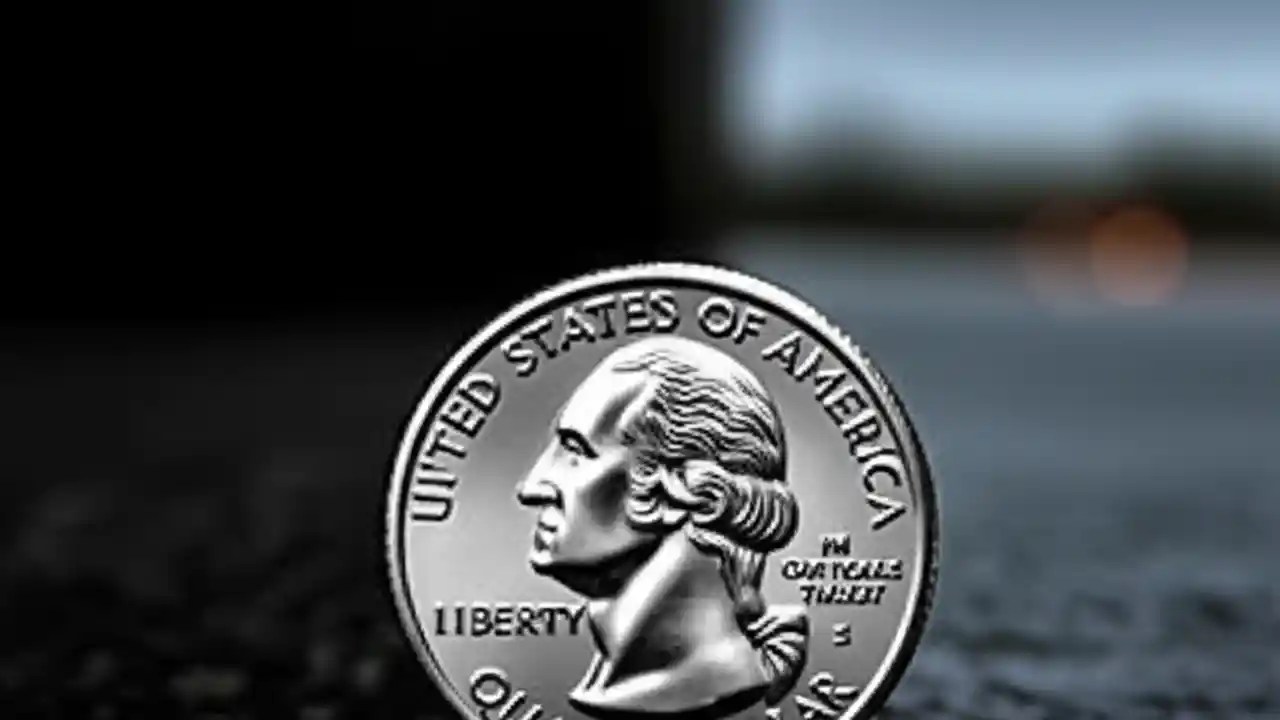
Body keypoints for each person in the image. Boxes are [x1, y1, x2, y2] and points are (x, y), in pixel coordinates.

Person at [517, 336, 808, 718]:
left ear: (682, 487)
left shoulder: (710, 683)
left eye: (575, 451)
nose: (531, 486)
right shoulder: (615, 683)